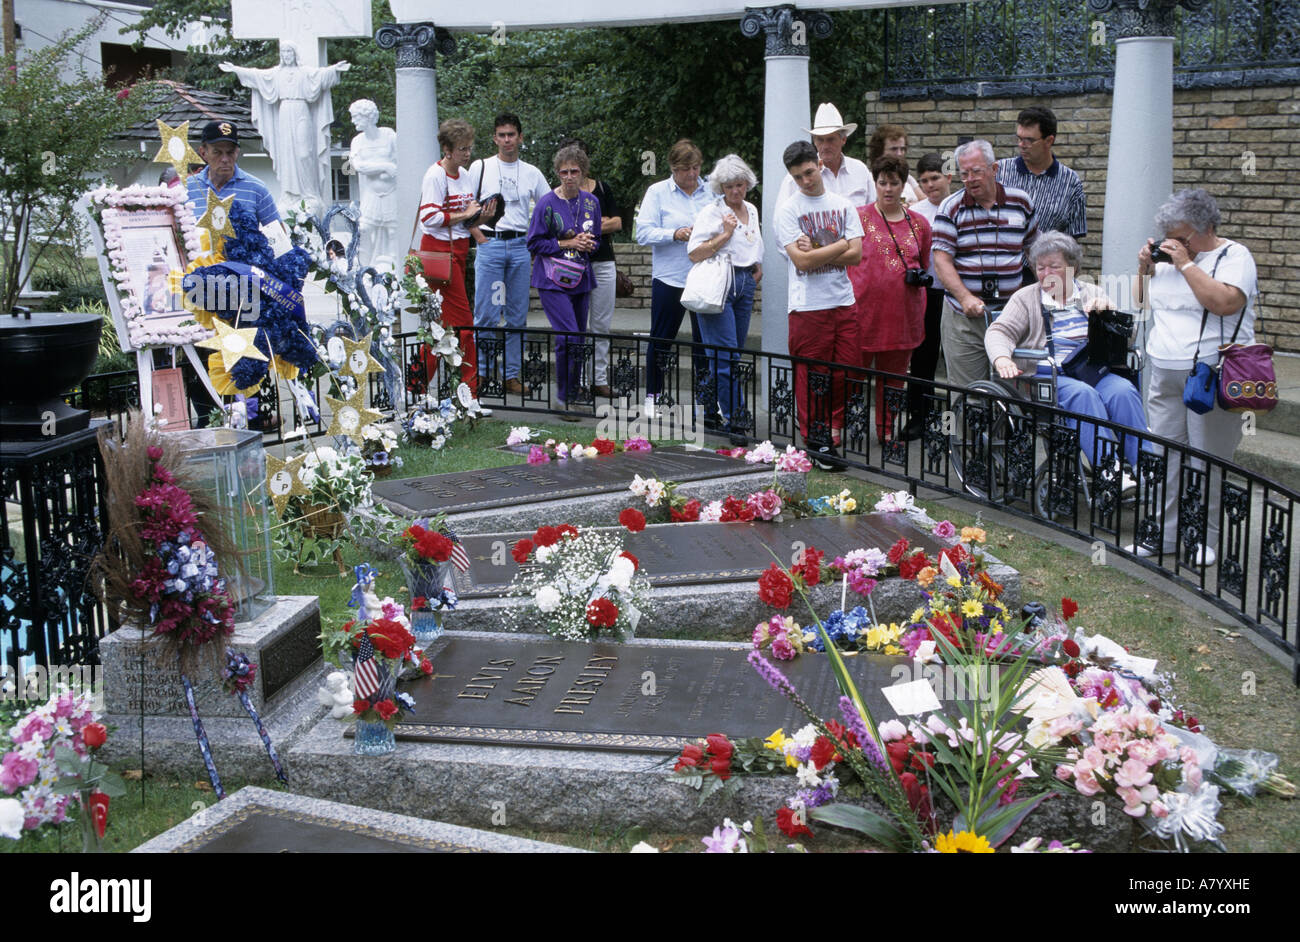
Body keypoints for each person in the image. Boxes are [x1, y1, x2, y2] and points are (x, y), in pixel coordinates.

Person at [1127, 189, 1258, 567]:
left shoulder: (1234, 257)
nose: (1175, 243)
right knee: (1164, 456)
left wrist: (1185, 264)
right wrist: (1144, 271)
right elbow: (1140, 305)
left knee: (1206, 460)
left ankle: (1204, 538)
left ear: (1206, 228)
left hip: (1211, 375)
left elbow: (1223, 303)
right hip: (1165, 371)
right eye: (1171, 236)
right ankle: (1163, 535)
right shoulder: (1170, 258)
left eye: (1183, 237)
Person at [985, 232, 1145, 490]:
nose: (1046, 273)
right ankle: (1109, 470)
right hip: (1050, 375)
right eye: (1040, 267)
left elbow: (1126, 340)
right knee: (1083, 395)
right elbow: (999, 331)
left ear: (1073, 268)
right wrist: (1002, 357)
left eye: (1055, 266)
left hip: (1093, 371)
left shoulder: (1091, 291)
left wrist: (1108, 316)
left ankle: (1145, 467)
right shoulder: (1026, 298)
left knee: (1123, 392)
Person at [775, 140, 864, 469]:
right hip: (807, 305)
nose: (805, 181)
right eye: (797, 177)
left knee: (847, 371)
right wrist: (840, 242)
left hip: (842, 299)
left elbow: (857, 254)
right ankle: (816, 442)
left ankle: (832, 429)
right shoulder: (788, 210)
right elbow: (801, 262)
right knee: (813, 375)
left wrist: (817, 251)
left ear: (820, 165)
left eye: (809, 173)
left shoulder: (842, 205)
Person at [932, 139, 1036, 390]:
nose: (970, 179)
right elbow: (941, 259)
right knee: (968, 393)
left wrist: (1056, 289)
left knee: (1012, 389)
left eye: (976, 171)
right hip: (964, 316)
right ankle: (964, 431)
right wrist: (965, 297)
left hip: (1012, 315)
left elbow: (1035, 250)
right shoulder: (951, 207)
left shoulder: (1020, 202)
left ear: (994, 169)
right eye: (964, 173)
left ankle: (1005, 431)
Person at [848, 155, 932, 441]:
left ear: (902, 186)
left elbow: (924, 260)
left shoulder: (919, 224)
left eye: (893, 183)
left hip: (902, 315)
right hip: (862, 313)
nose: (887, 189)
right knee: (850, 376)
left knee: (894, 380)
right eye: (882, 182)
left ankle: (886, 432)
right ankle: (843, 428)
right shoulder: (857, 216)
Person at [471, 113, 550, 396]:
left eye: (511, 134)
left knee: (517, 316)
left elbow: (548, 206)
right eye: (501, 135)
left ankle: (511, 375)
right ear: (494, 138)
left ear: (520, 137)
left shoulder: (531, 172)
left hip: (518, 248)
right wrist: (479, 236)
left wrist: (536, 238)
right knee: (487, 315)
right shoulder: (481, 167)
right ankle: (482, 373)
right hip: (490, 245)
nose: (507, 140)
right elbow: (465, 205)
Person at [687, 154, 764, 444]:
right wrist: (725, 233)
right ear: (721, 186)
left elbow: (754, 242)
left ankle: (707, 408)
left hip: (744, 281)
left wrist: (756, 270)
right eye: (730, 185)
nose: (736, 191)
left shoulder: (752, 209)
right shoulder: (712, 211)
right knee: (726, 355)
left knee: (730, 352)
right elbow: (694, 252)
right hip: (719, 281)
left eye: (740, 184)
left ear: (748, 184)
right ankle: (736, 418)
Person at [220, 42, 349, 212]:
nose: (287, 54)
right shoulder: (276, 73)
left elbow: (320, 75)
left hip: (301, 110)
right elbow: (257, 75)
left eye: (289, 51)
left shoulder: (304, 72)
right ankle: (290, 194)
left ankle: (309, 193)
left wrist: (335, 69)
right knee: (287, 154)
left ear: (295, 53)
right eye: (284, 52)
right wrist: (236, 69)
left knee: (304, 153)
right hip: (284, 112)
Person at [635, 139, 713, 416]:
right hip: (670, 278)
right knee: (661, 338)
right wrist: (674, 233)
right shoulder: (657, 192)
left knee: (704, 343)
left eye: (695, 167)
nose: (692, 174)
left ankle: (706, 400)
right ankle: (652, 396)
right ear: (672, 168)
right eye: (685, 169)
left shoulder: (711, 192)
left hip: (704, 277)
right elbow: (642, 233)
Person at [527, 144, 601, 421]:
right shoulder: (547, 203)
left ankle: (572, 393)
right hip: (551, 278)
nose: (569, 177)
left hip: (581, 276)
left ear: (583, 173)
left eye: (574, 171)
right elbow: (533, 242)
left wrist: (588, 243)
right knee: (568, 335)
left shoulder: (591, 202)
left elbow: (598, 241)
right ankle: (562, 399)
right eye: (564, 172)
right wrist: (568, 242)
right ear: (557, 173)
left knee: (578, 338)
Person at [417, 118, 487, 396]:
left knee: (441, 328)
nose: (467, 154)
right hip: (439, 255)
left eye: (469, 148)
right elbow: (429, 216)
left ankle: (417, 385)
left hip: (457, 252)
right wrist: (465, 215)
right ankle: (469, 390)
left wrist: (482, 217)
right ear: (447, 149)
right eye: (461, 149)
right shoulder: (435, 175)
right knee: (464, 325)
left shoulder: (465, 174)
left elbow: (467, 216)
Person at [563, 137, 623, 400]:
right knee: (577, 324)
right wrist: (597, 224)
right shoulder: (560, 192)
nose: (573, 170)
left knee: (601, 323)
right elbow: (561, 227)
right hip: (572, 264)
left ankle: (598, 379)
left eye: (579, 161)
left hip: (603, 262)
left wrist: (589, 227)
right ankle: (579, 381)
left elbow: (618, 222)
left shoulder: (601, 188)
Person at [901, 152, 952, 440]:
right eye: (924, 180)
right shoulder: (914, 212)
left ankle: (950, 426)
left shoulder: (961, 206)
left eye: (935, 178)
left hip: (958, 294)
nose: (930, 185)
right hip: (927, 293)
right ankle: (919, 418)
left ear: (948, 177)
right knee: (923, 359)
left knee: (955, 363)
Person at [996, 106, 1087, 243]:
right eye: (1019, 138)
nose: (1021, 145)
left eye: (1029, 140)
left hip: (1044, 264)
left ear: (1049, 141)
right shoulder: (999, 172)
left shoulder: (1071, 182)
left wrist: (1069, 266)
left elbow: (1072, 247)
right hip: (1001, 263)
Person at [775, 103, 875, 209]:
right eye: (820, 140)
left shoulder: (860, 170)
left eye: (831, 139)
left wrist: (866, 225)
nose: (825, 146)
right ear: (814, 141)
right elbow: (781, 219)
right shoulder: (796, 177)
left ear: (843, 139)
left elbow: (874, 212)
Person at [187, 120, 281, 229]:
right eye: (217, 152)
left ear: (237, 152)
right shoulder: (186, 189)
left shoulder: (256, 189)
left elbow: (279, 237)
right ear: (203, 153)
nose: (225, 159)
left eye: (230, 152)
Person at [347, 99, 399, 270]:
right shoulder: (357, 141)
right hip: (371, 194)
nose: (353, 121)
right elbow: (358, 166)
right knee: (365, 229)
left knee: (393, 231)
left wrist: (391, 168)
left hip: (391, 191)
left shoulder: (389, 135)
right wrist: (384, 166)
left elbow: (402, 162)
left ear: (368, 117)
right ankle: (365, 268)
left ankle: (395, 270)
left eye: (356, 117)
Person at [867, 124, 923, 206]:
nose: (900, 154)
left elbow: (925, 202)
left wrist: (908, 205)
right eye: (894, 149)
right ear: (880, 150)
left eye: (902, 149)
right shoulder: (870, 179)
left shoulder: (908, 178)